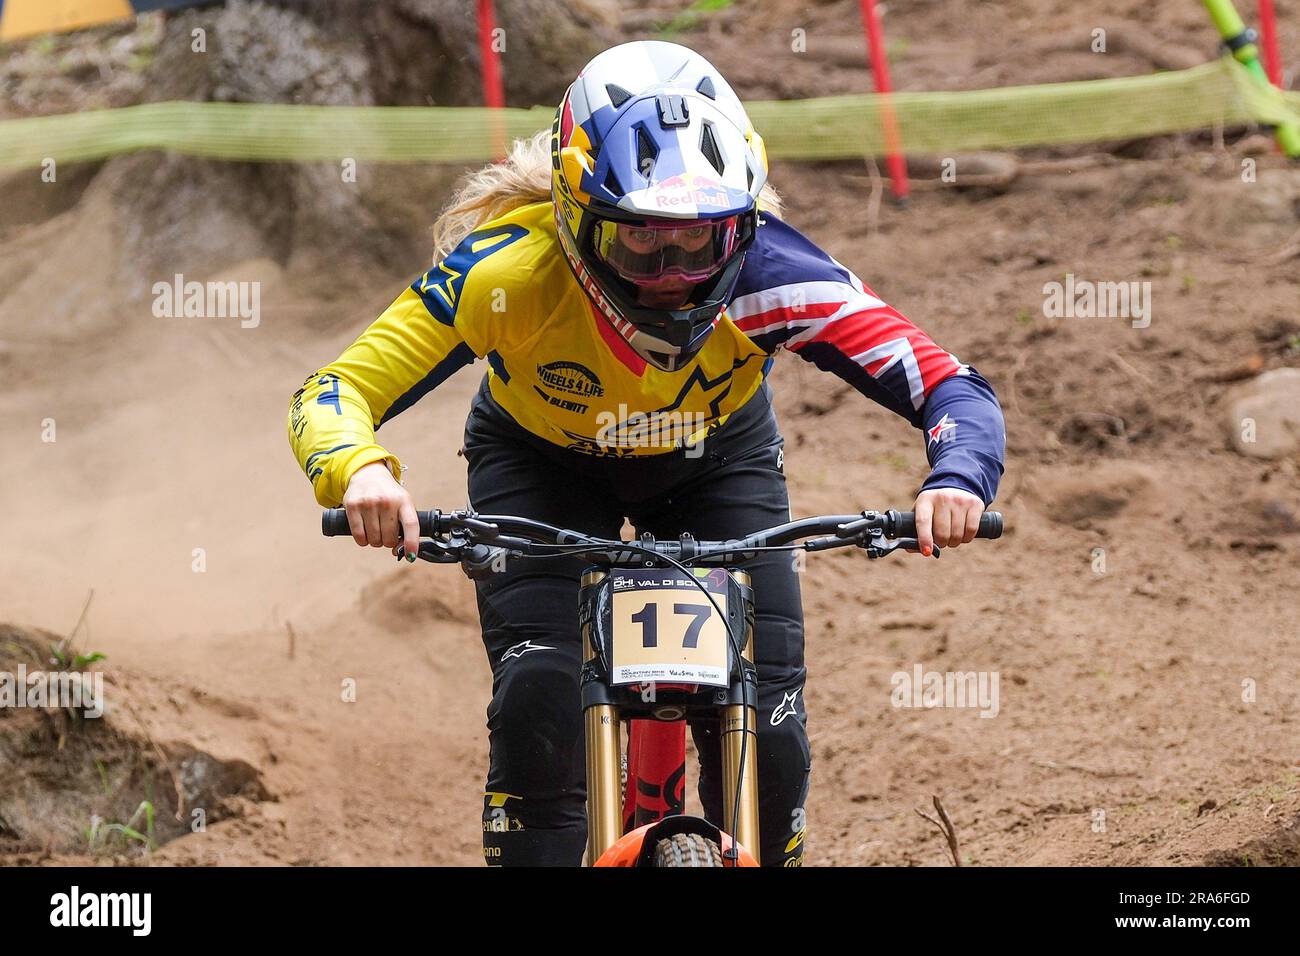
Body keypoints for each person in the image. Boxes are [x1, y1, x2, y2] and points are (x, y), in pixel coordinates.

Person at [288, 40, 1005, 867]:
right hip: (540, 466)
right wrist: (363, 472)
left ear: (739, 227)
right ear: (575, 217)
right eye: (641, 246)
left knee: (770, 732)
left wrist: (956, 475)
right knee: (540, 699)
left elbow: (952, 387)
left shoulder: (776, 274)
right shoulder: (504, 276)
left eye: (701, 246)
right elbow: (332, 391)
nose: (674, 277)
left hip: (717, 464)